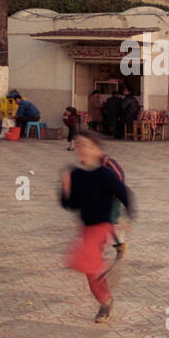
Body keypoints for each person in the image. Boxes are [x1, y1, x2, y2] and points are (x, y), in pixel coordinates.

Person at [60, 130, 134, 323]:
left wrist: (125, 218)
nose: (81, 150)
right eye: (78, 146)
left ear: (97, 149)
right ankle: (105, 300)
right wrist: (66, 190)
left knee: (82, 259)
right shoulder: (76, 174)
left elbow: (124, 193)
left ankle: (108, 272)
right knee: (88, 270)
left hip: (102, 226)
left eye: (86, 146)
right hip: (86, 227)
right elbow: (72, 205)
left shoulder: (106, 173)